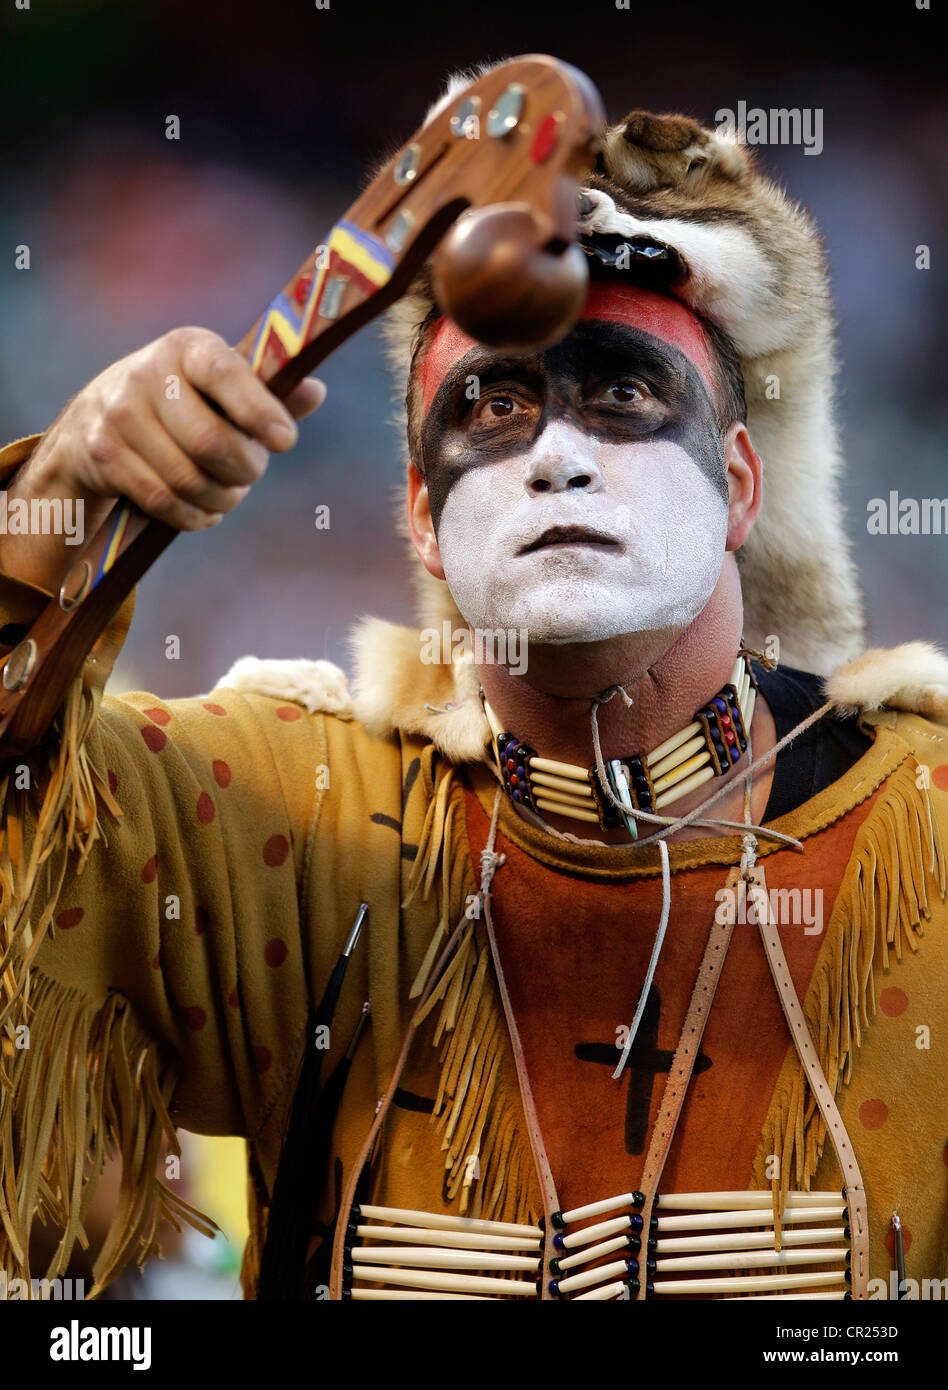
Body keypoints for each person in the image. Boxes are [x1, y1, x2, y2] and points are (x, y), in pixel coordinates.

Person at [0, 78, 946, 1303]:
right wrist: (63, 494)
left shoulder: (925, 830)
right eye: (494, 405)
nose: (555, 455)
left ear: (744, 486)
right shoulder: (292, 812)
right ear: (422, 519)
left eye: (622, 394)